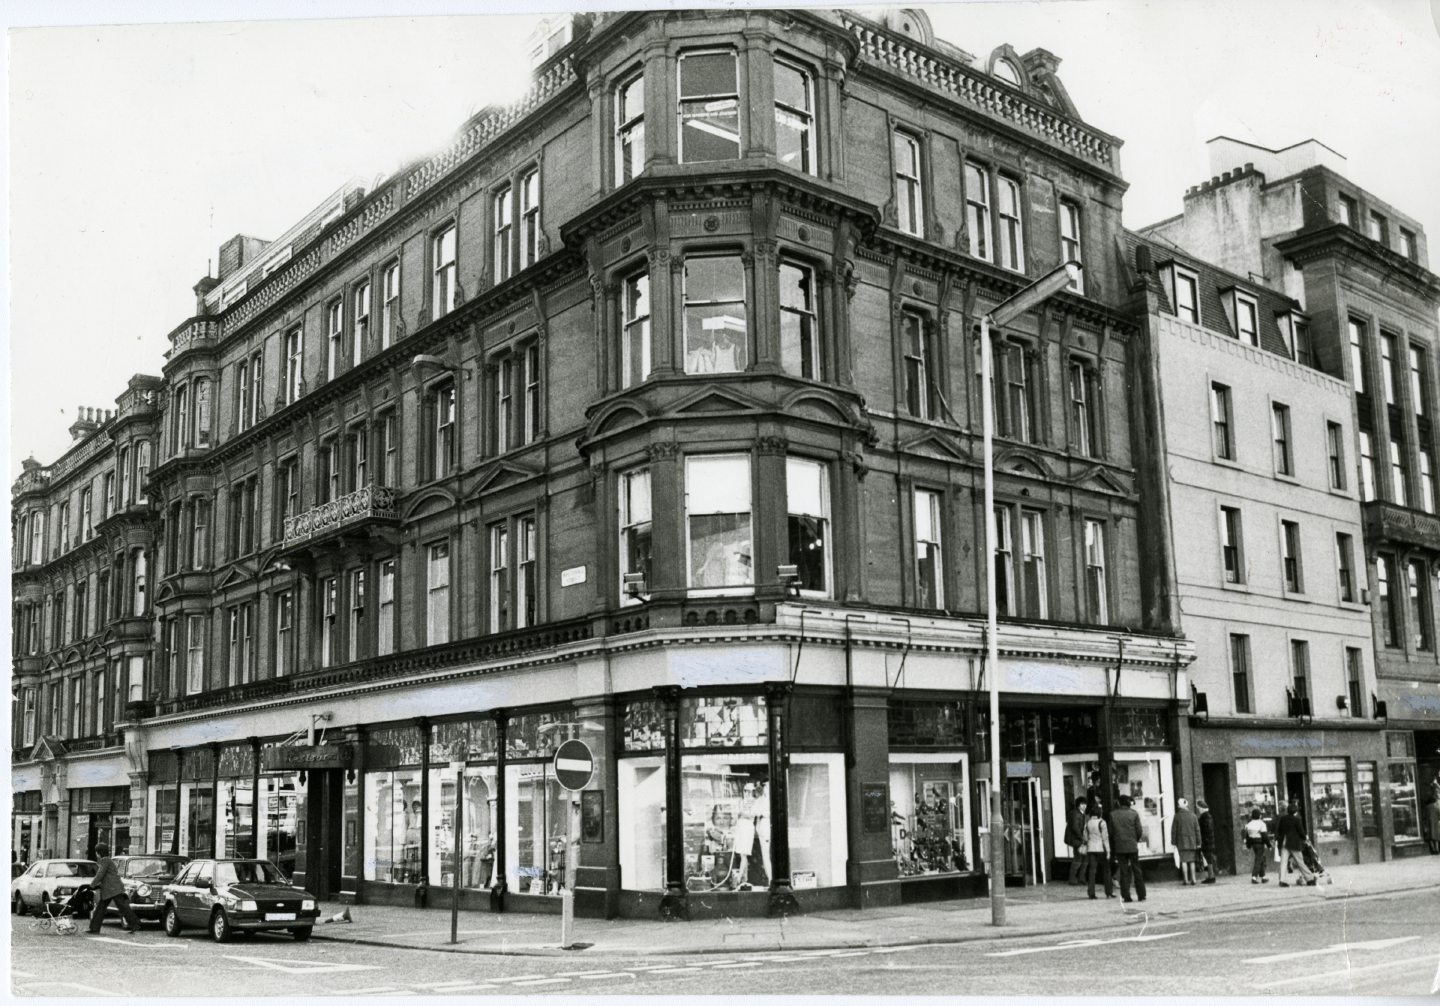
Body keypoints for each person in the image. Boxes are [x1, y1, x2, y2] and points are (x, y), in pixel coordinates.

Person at [85, 843, 139, 934]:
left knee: (114, 908)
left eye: (96, 852)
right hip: (112, 888)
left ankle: (135, 924)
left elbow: (100, 874)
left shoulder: (105, 860)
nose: (96, 854)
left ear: (99, 852)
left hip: (112, 889)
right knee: (119, 908)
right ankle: (134, 924)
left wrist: (92, 885)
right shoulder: (108, 860)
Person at [1109, 794, 1147, 903]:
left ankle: (1126, 896)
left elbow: (1111, 832)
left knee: (1124, 872)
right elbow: (1139, 831)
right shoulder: (1134, 814)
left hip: (1120, 846)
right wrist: (1134, 839)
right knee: (1137, 870)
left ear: (1119, 803)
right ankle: (1141, 894)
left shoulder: (1113, 814)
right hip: (1132, 845)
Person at [1274, 802, 1315, 887]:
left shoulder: (1283, 818)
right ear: (1295, 811)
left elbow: (1280, 830)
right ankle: (1310, 879)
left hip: (1284, 842)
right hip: (1293, 843)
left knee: (1283, 862)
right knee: (1300, 862)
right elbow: (1301, 831)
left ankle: (1282, 880)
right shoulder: (1297, 819)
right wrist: (1305, 838)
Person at [1081, 803, 1113, 900]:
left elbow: (1085, 837)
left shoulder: (1087, 823)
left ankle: (1091, 893)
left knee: (1092, 871)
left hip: (1091, 849)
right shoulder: (1102, 822)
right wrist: (1108, 851)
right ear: (1100, 813)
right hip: (1101, 848)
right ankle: (1108, 892)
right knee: (1106, 870)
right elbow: (1105, 838)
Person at [1171, 797, 1201, 885]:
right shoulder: (1193, 816)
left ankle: (1186, 880)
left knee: (1184, 861)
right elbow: (1197, 830)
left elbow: (1174, 830)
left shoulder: (1177, 816)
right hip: (1192, 841)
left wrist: (1173, 841)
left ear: (1180, 806)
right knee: (1192, 861)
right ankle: (1194, 879)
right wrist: (1199, 842)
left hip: (1181, 842)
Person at [1241, 808, 1270, 884]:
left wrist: (1248, 846)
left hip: (1253, 844)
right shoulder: (1262, 824)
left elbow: (1247, 836)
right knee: (1258, 860)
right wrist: (1269, 845)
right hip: (1260, 844)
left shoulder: (1249, 824)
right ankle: (1254, 876)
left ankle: (1263, 876)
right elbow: (1264, 836)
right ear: (1260, 815)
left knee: (1260, 859)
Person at [1064, 797, 1088, 885]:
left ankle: (1081, 877)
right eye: (1082, 804)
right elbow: (1075, 827)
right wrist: (1082, 838)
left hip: (1078, 839)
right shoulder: (1075, 814)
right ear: (1078, 805)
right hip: (1076, 839)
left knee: (1084, 858)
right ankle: (1073, 878)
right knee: (1078, 858)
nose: (1084, 806)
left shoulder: (1080, 813)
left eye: (1085, 804)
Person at [1196, 798, 1217, 884]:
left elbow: (1205, 830)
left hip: (1207, 841)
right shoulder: (1208, 816)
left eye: (1198, 808)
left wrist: (1203, 841)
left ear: (1201, 808)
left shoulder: (1204, 817)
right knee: (1209, 858)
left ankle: (1211, 876)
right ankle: (1211, 875)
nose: (1198, 810)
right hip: (1209, 840)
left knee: (1208, 859)